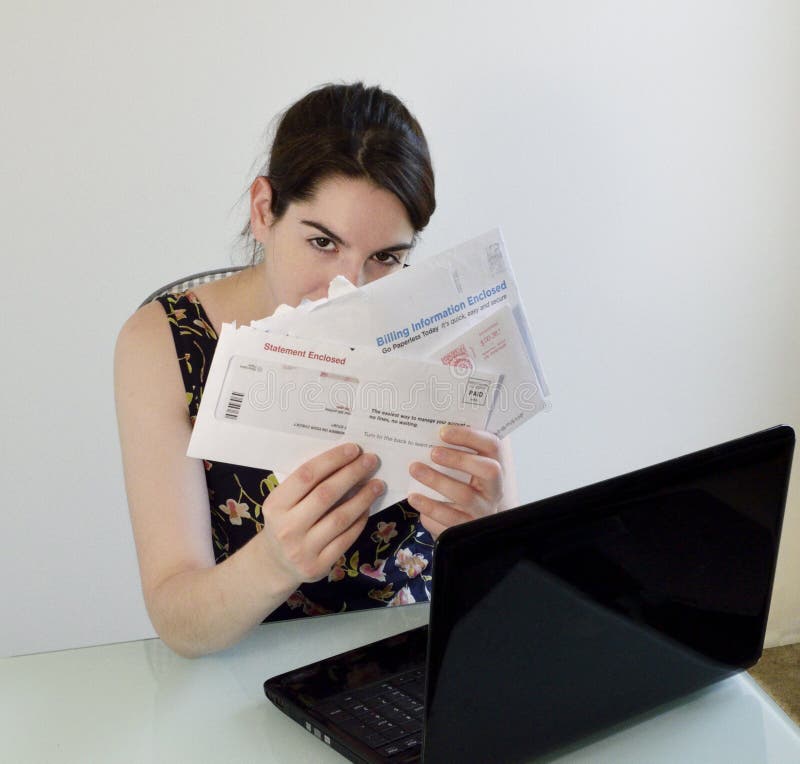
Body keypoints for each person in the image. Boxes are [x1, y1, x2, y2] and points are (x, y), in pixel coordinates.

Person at [114, 82, 517, 658]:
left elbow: (505, 586)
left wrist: (490, 530)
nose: (348, 289)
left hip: (422, 656)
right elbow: (179, 622)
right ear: (263, 209)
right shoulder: (162, 343)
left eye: (386, 257)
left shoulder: (443, 323)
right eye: (323, 242)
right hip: (247, 669)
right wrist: (275, 561)